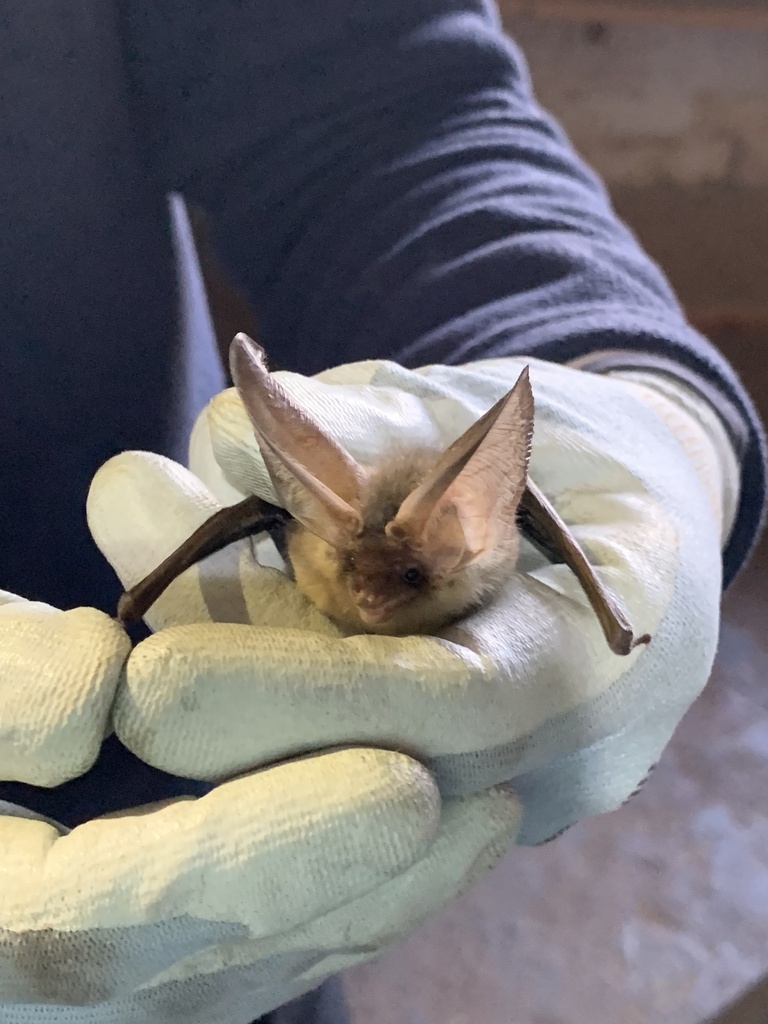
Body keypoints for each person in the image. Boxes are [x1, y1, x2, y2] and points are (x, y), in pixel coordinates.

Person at [0, 2, 764, 1022]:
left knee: (303, 861)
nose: (368, 588)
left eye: (393, 577)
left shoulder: (400, 542)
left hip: (223, 789)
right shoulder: (328, 538)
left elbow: (381, 107)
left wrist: (655, 417)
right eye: (366, 572)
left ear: (467, 539)